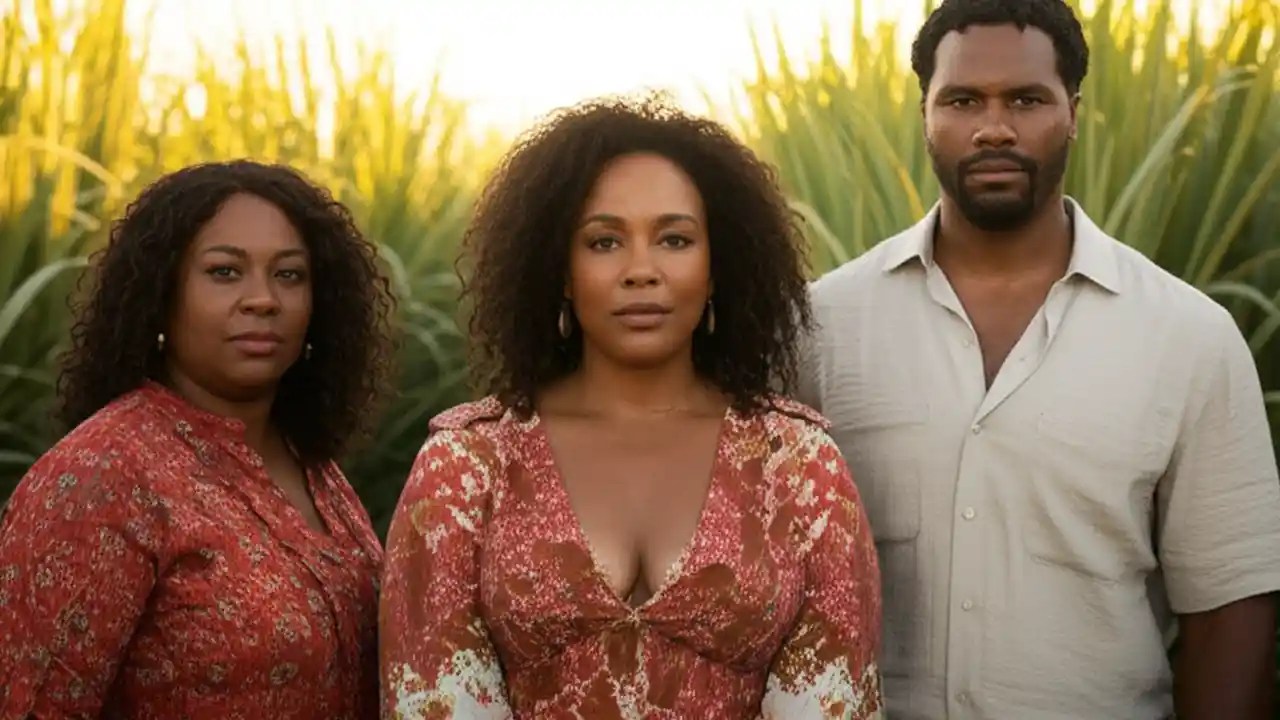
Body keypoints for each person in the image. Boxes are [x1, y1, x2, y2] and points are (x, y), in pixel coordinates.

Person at [797, 0, 1280, 717]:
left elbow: (1231, 608)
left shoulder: (1188, 338)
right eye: (962, 100)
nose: (994, 127)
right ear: (925, 114)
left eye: (1026, 100)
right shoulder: (822, 328)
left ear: (1074, 112)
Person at [379, 95, 884, 719]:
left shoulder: (799, 467)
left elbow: (835, 699)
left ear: (717, 267)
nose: (641, 270)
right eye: (604, 241)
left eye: (674, 239)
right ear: (561, 272)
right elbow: (430, 699)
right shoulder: (468, 466)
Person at [0, 160, 396, 719]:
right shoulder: (102, 476)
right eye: (225, 272)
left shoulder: (313, 467)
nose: (263, 299)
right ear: (162, 294)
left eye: (289, 275)